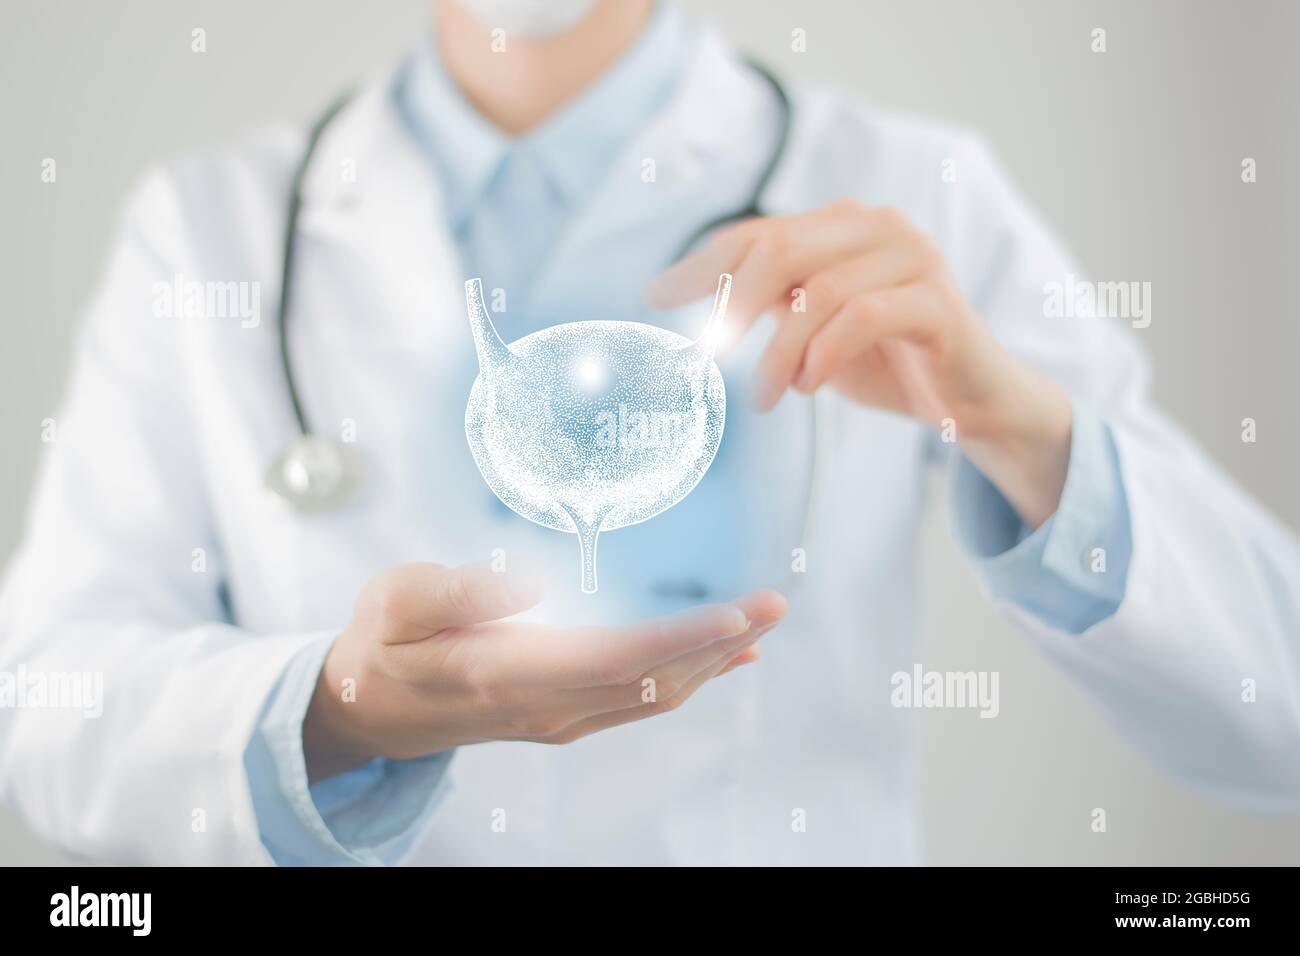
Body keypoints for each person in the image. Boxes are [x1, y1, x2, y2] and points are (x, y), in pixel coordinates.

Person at [1, 0, 1297, 866]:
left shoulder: (909, 191)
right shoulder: (208, 228)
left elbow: (1275, 712)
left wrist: (1023, 430)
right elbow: (44, 711)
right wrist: (335, 712)